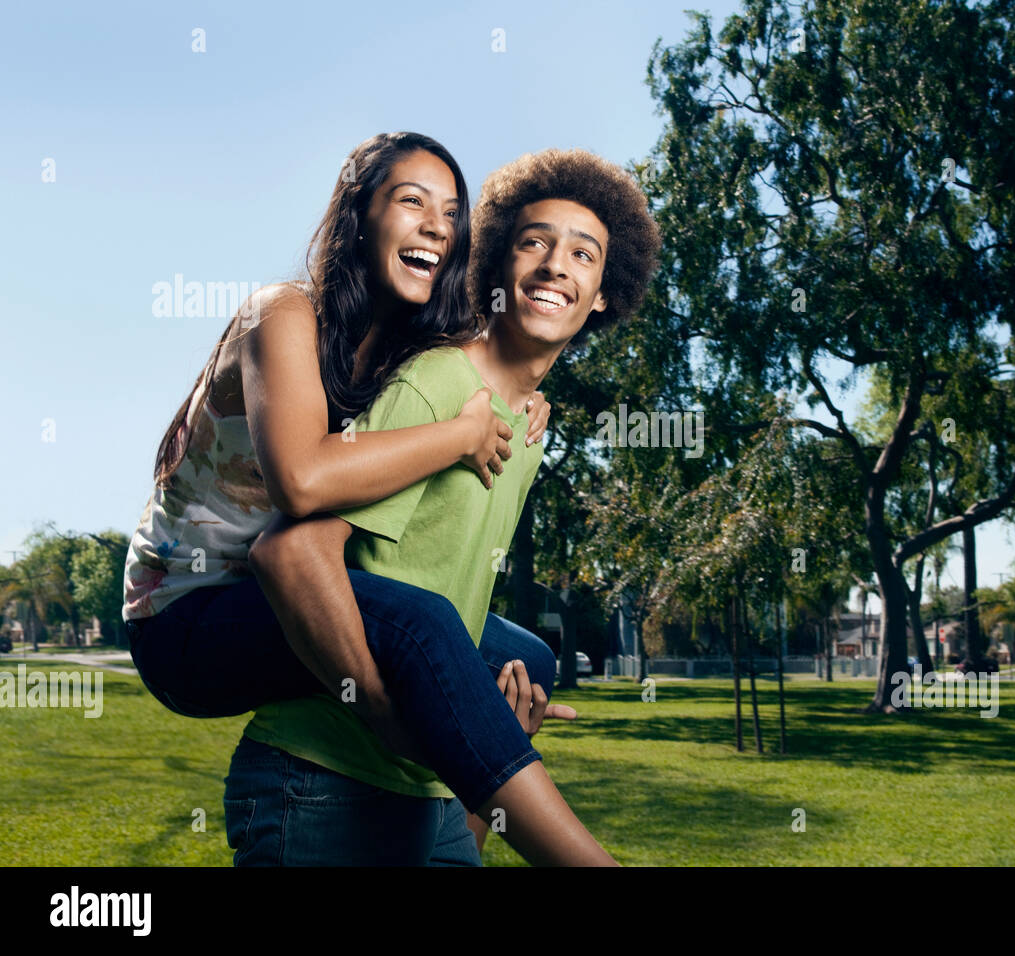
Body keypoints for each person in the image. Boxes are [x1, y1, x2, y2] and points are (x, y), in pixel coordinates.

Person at [123, 132, 554, 858]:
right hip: (187, 622)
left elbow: (489, 369)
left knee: (527, 661)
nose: (436, 227)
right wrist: (460, 435)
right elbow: (303, 480)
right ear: (359, 216)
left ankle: (452, 844)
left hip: (286, 593)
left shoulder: (409, 356)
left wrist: (519, 399)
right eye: (411, 201)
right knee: (421, 627)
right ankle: (392, 727)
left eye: (451, 214)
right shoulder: (281, 314)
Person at [226, 148, 661, 866]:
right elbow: (297, 549)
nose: (556, 265)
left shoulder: (528, 431)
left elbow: (452, 602)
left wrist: (481, 735)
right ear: (496, 265)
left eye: (583, 254)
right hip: (322, 781)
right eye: (534, 243)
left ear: (604, 292)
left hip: (432, 801)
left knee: (528, 658)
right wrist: (390, 718)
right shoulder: (437, 385)